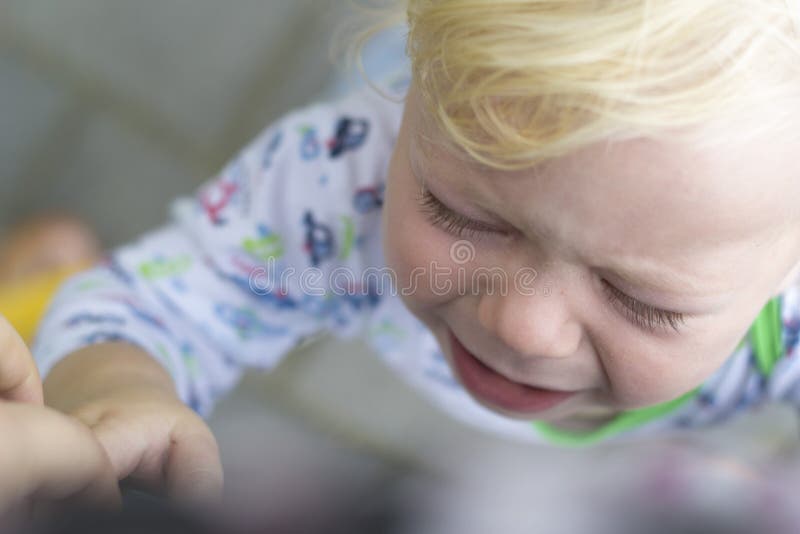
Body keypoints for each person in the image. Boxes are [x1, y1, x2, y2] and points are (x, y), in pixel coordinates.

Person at [28, 0, 800, 504]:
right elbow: (167, 305)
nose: (520, 327)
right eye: (459, 211)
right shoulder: (339, 190)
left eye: (641, 297)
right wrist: (121, 387)